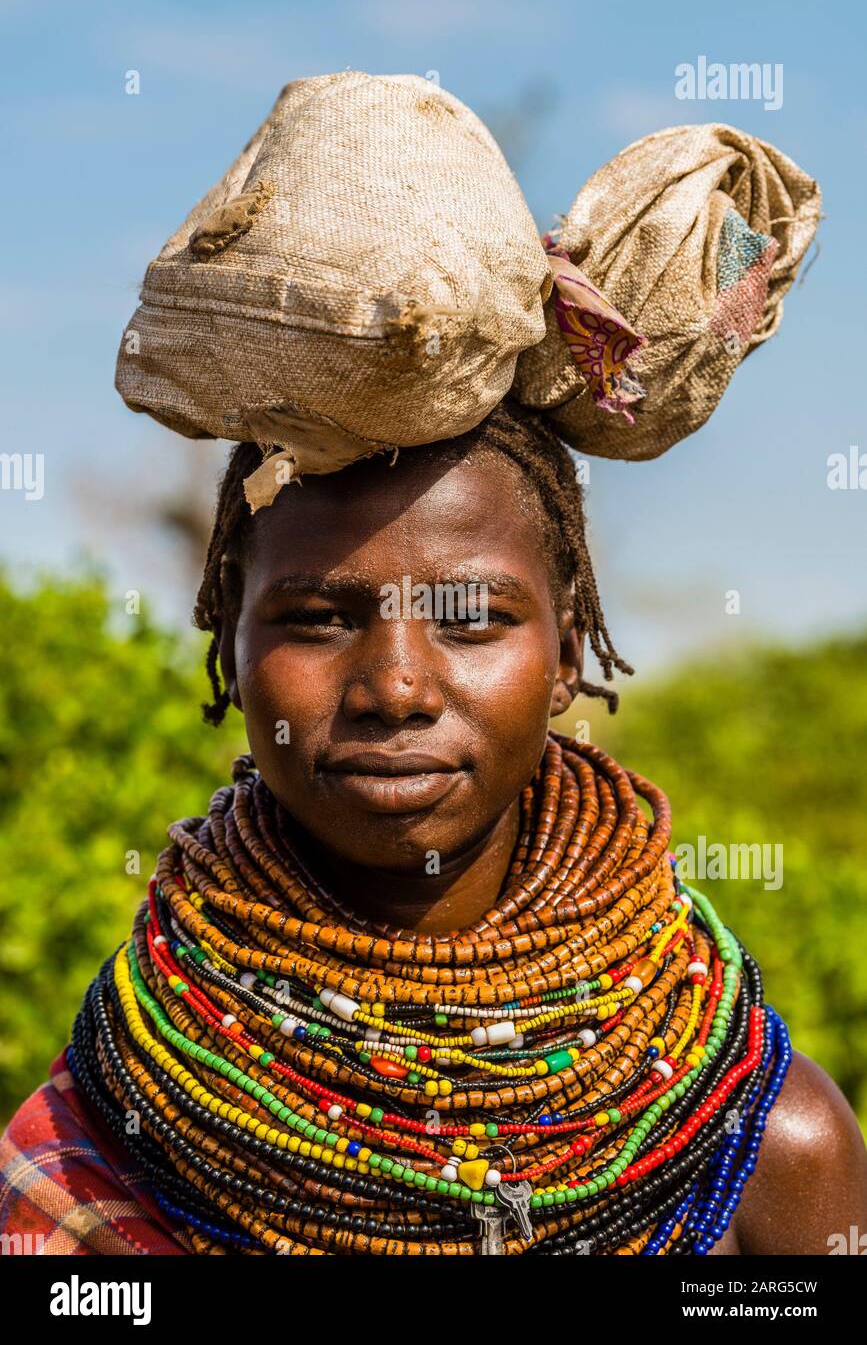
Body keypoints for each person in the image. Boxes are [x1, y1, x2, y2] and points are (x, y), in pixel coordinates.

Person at [2, 400, 866, 1256]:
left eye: (470, 619)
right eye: (318, 620)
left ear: (565, 657)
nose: (396, 688)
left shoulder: (762, 1147)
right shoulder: (109, 1152)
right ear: (230, 642)